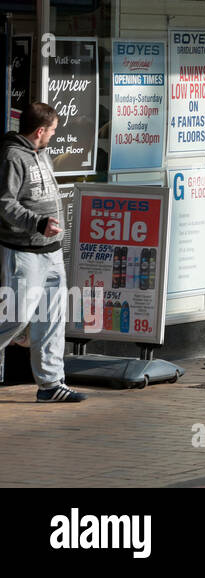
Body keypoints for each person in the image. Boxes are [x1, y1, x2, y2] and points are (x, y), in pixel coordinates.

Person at [0, 103, 87, 402]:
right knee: (15, 316)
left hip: (50, 253)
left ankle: (50, 385)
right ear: (40, 131)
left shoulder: (42, 153)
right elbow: (5, 203)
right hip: (23, 252)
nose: (53, 135)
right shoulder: (12, 156)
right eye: (52, 130)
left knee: (51, 317)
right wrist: (36, 222)